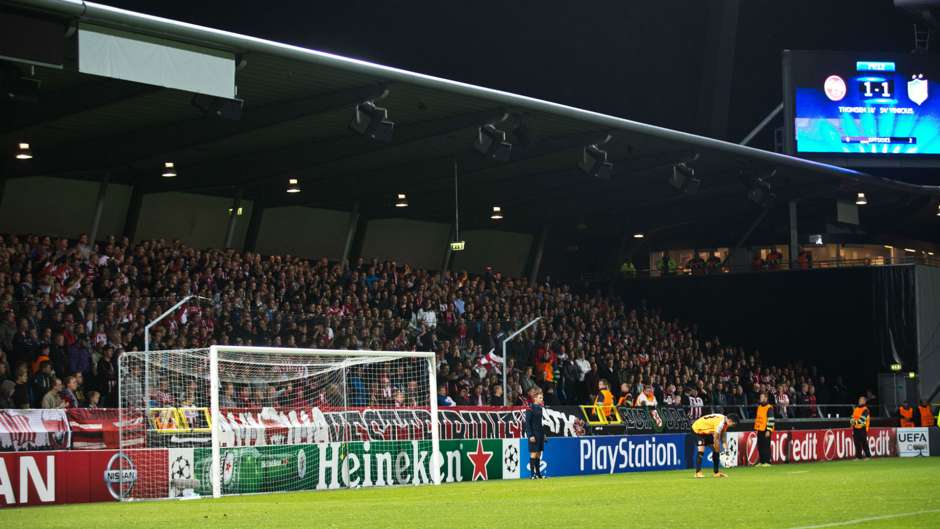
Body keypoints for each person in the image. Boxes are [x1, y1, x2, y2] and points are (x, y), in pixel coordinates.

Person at [691, 413, 736, 478]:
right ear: (730, 421)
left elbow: (723, 438)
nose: (733, 426)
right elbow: (716, 439)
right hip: (697, 429)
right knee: (702, 449)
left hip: (706, 430)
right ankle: (698, 472)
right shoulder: (720, 424)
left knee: (715, 449)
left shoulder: (725, 422)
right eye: (733, 424)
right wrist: (720, 452)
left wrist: (726, 451)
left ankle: (716, 473)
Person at [524, 387, 546, 479]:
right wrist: (530, 435)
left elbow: (540, 423)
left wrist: (543, 434)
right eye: (540, 398)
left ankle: (538, 474)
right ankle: (532, 475)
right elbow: (527, 423)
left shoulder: (540, 409)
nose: (542, 400)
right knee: (533, 453)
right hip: (533, 434)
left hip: (539, 433)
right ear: (535, 398)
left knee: (538, 454)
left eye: (542, 398)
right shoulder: (530, 408)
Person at [753, 392, 775, 467]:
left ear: (766, 398)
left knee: (766, 446)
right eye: (760, 397)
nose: (760, 399)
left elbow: (771, 419)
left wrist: (768, 430)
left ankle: (767, 461)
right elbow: (758, 419)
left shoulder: (769, 407)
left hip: (766, 429)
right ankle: (762, 461)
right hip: (760, 429)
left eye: (762, 397)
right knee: (760, 446)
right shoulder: (759, 407)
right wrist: (756, 428)